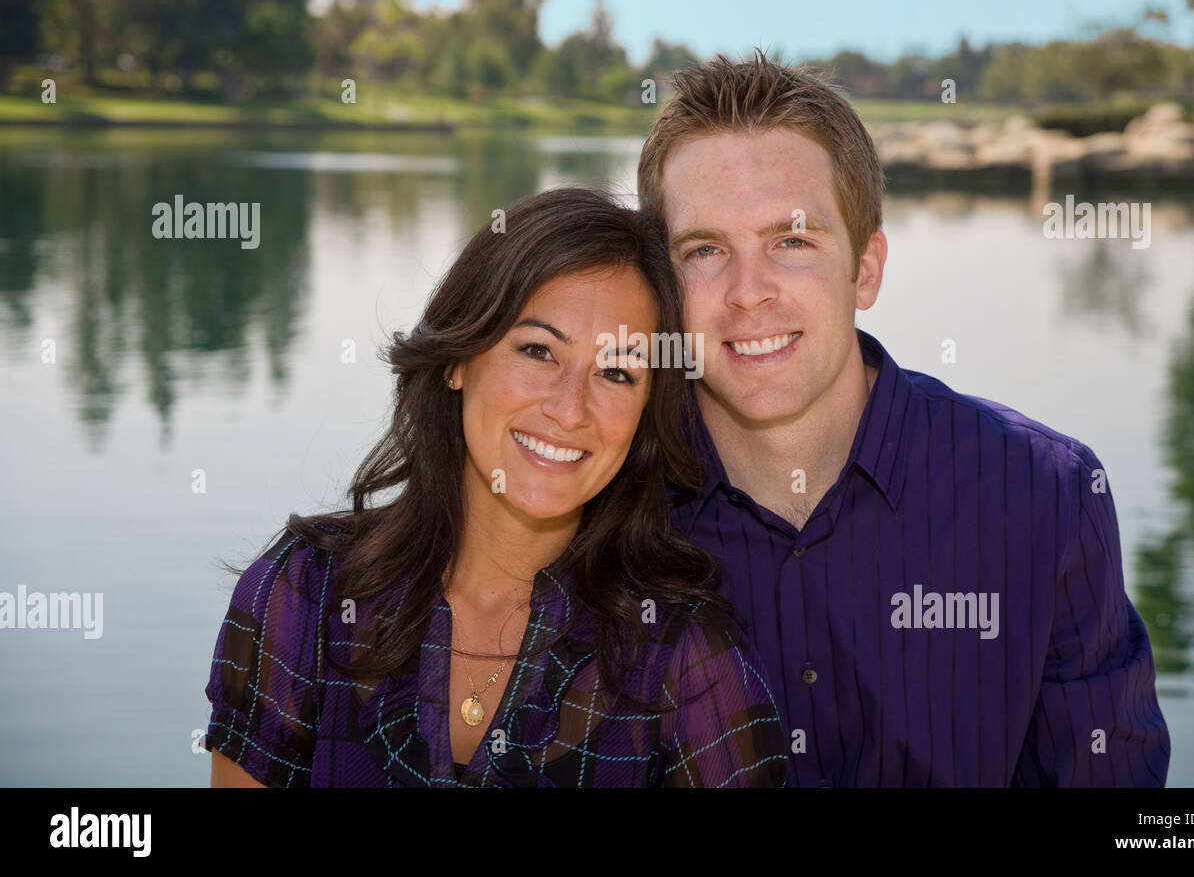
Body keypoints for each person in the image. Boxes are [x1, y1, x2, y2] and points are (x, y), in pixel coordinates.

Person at [637, 50, 1172, 787]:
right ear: (662, 285)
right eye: (705, 250)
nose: (748, 292)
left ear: (866, 268)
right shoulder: (603, 506)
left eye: (791, 241)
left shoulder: (1047, 496)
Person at [204, 187, 789, 787]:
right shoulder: (302, 595)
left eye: (616, 372)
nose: (569, 409)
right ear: (459, 358)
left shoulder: (689, 664)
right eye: (537, 350)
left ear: (644, 412)